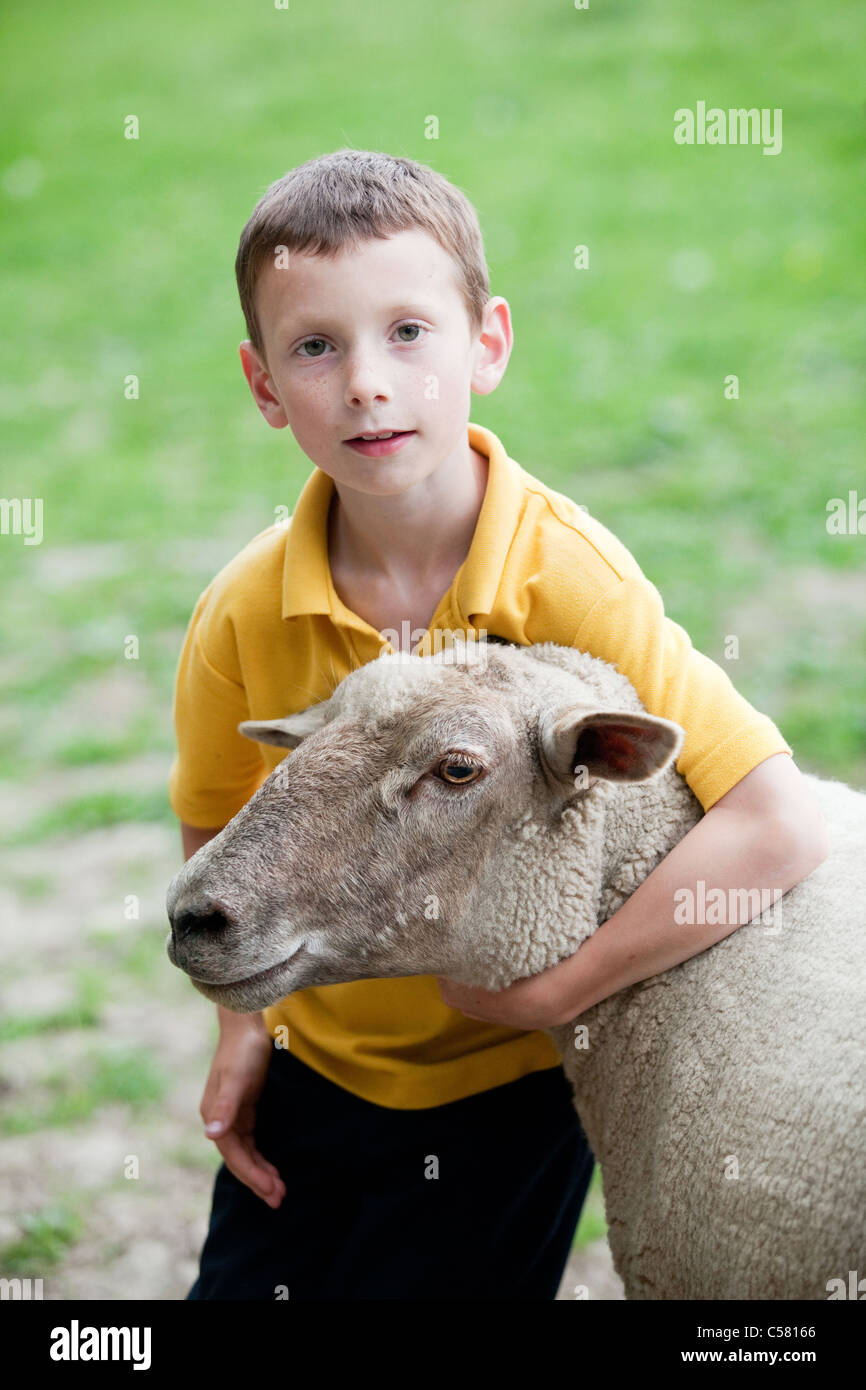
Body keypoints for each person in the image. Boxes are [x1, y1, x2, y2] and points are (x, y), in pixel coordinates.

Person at [168, 148, 828, 1300]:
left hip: (505, 1086)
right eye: (315, 347)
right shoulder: (242, 609)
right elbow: (220, 820)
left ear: (487, 343)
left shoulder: (567, 582)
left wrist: (556, 993)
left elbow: (775, 820)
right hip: (318, 1054)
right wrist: (244, 1027)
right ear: (263, 384)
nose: (366, 383)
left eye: (407, 332)